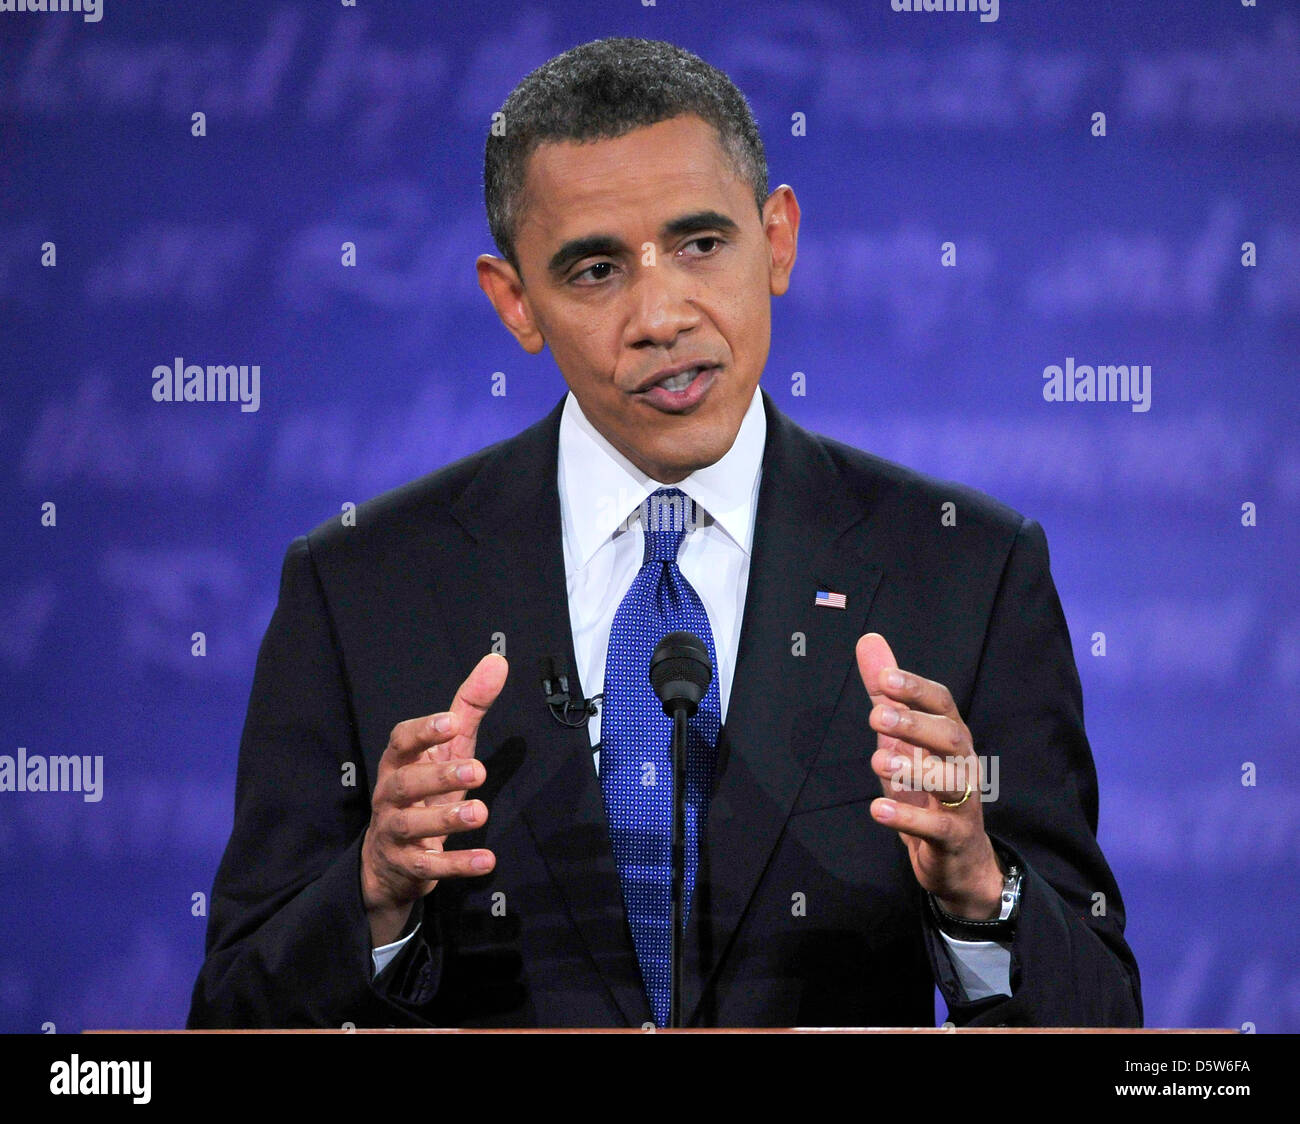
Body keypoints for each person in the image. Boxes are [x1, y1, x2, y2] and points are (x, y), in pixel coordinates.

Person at [187, 38, 1141, 1029]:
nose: (659, 314)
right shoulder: (360, 585)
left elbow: (1106, 1020)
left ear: (777, 238)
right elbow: (230, 1016)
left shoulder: (963, 569)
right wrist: (376, 889)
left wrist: (978, 890)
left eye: (700, 245)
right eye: (596, 269)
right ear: (514, 300)